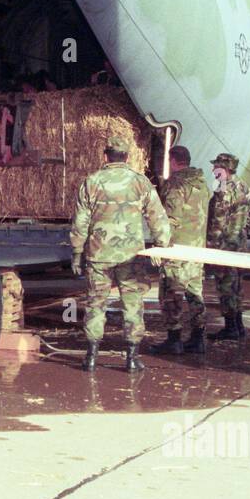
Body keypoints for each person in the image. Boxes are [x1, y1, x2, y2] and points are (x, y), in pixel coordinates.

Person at [70, 133, 171, 372]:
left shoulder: (91, 181)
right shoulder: (140, 182)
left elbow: (80, 221)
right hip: (130, 256)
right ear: (126, 157)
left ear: (105, 156)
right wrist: (162, 245)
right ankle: (132, 359)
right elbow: (157, 216)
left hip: (98, 255)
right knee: (133, 304)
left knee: (96, 304)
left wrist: (76, 251)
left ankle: (91, 357)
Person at [150, 145, 210, 355]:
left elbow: (171, 219)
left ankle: (174, 340)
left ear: (173, 161)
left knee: (171, 293)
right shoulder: (202, 184)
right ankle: (198, 339)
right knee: (195, 294)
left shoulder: (176, 184)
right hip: (197, 249)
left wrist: (160, 247)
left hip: (177, 250)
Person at [206, 152, 250, 341]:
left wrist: (211, 245)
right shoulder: (245, 188)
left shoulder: (224, 191)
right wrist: (242, 235)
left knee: (225, 286)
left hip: (225, 247)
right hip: (239, 245)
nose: (213, 170)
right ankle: (239, 326)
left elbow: (218, 222)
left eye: (216, 167)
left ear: (225, 168)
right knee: (237, 285)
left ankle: (230, 328)